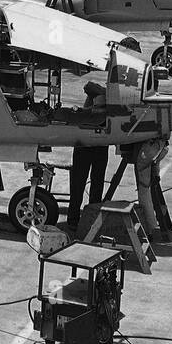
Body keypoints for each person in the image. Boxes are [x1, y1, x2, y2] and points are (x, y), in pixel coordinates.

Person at [66, 82, 109, 232]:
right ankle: (83, 219)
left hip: (88, 147)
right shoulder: (101, 108)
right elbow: (89, 86)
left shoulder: (92, 111)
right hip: (91, 147)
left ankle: (79, 219)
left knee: (83, 184)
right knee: (86, 184)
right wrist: (106, 92)